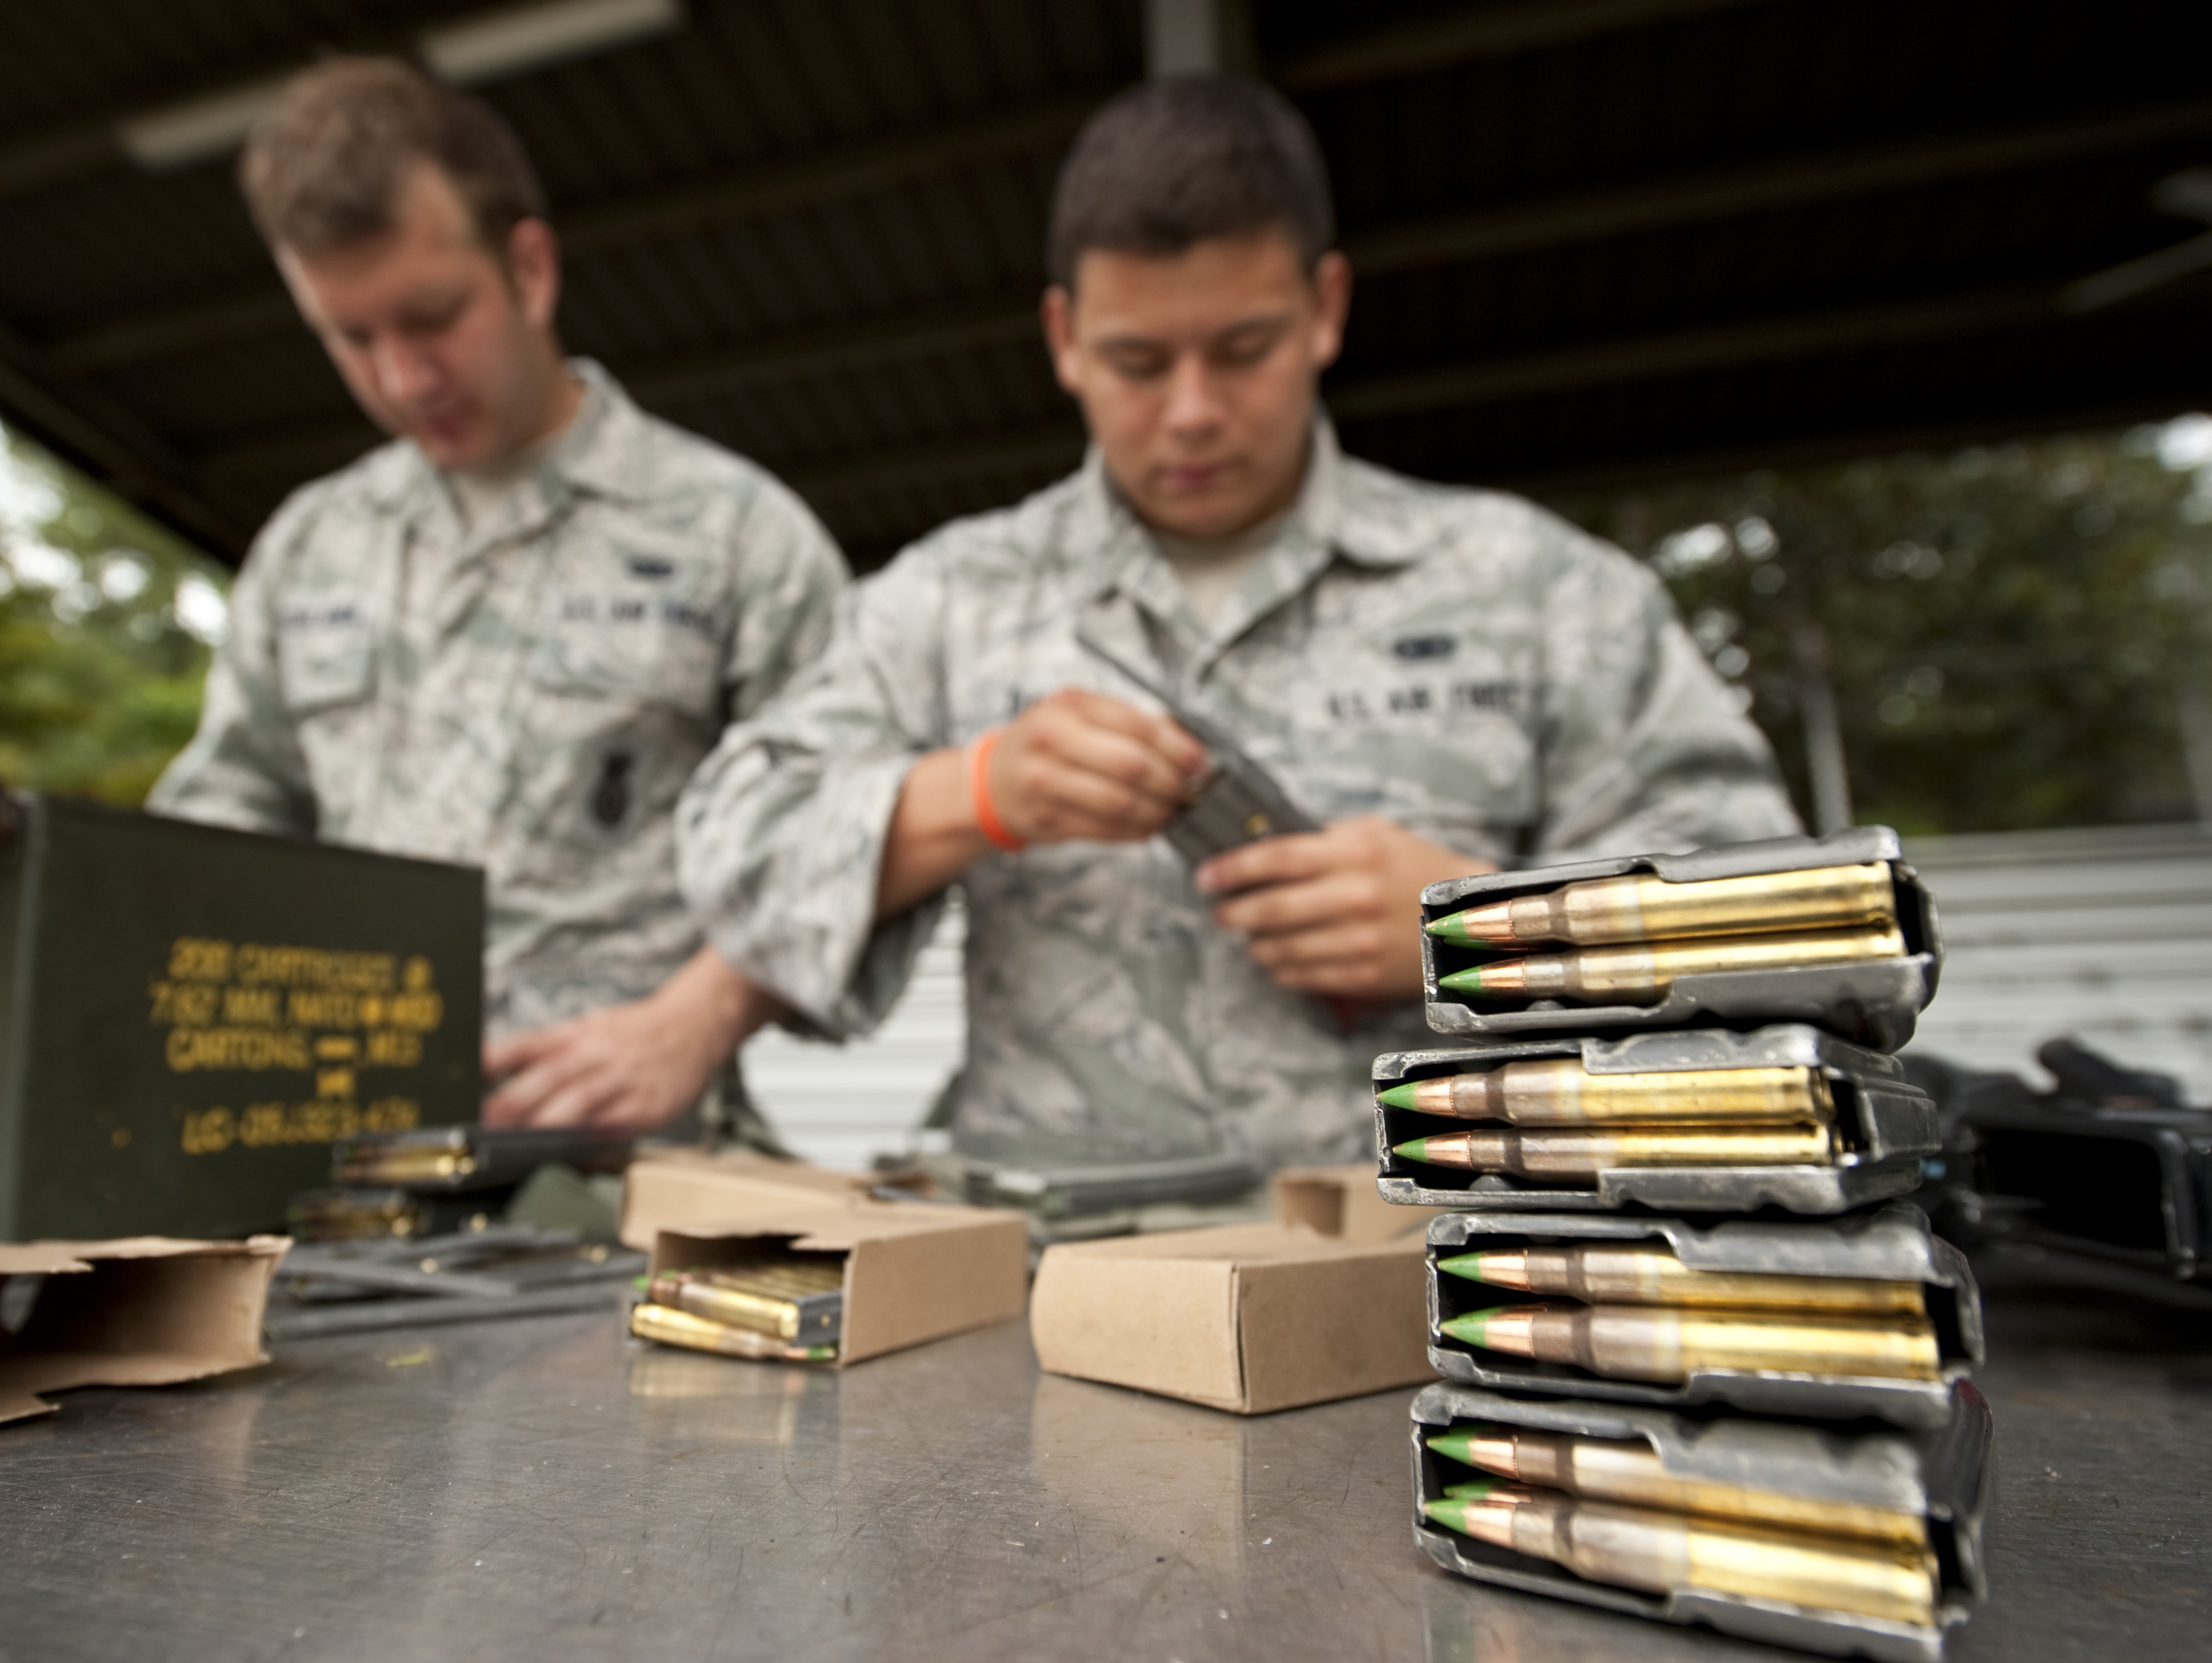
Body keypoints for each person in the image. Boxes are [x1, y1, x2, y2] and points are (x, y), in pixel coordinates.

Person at [677, 78, 1800, 1173]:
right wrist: (973, 794)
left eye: (1244, 348)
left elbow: (1769, 927)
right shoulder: (952, 597)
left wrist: (1480, 933)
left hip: (1433, 1277)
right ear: (1064, 339)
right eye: (1138, 362)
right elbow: (729, 850)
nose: (1195, 411)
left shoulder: (1535, 587)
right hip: (1058, 1293)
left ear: (1326, 308)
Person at [152, 58, 845, 1141]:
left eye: (433, 317)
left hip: (634, 1181)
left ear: (528, 268)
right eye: (352, 337)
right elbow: (221, 823)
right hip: (342, 1170)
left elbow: (844, 833)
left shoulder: (737, 534)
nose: (402, 379)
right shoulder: (307, 549)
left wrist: (697, 1018)